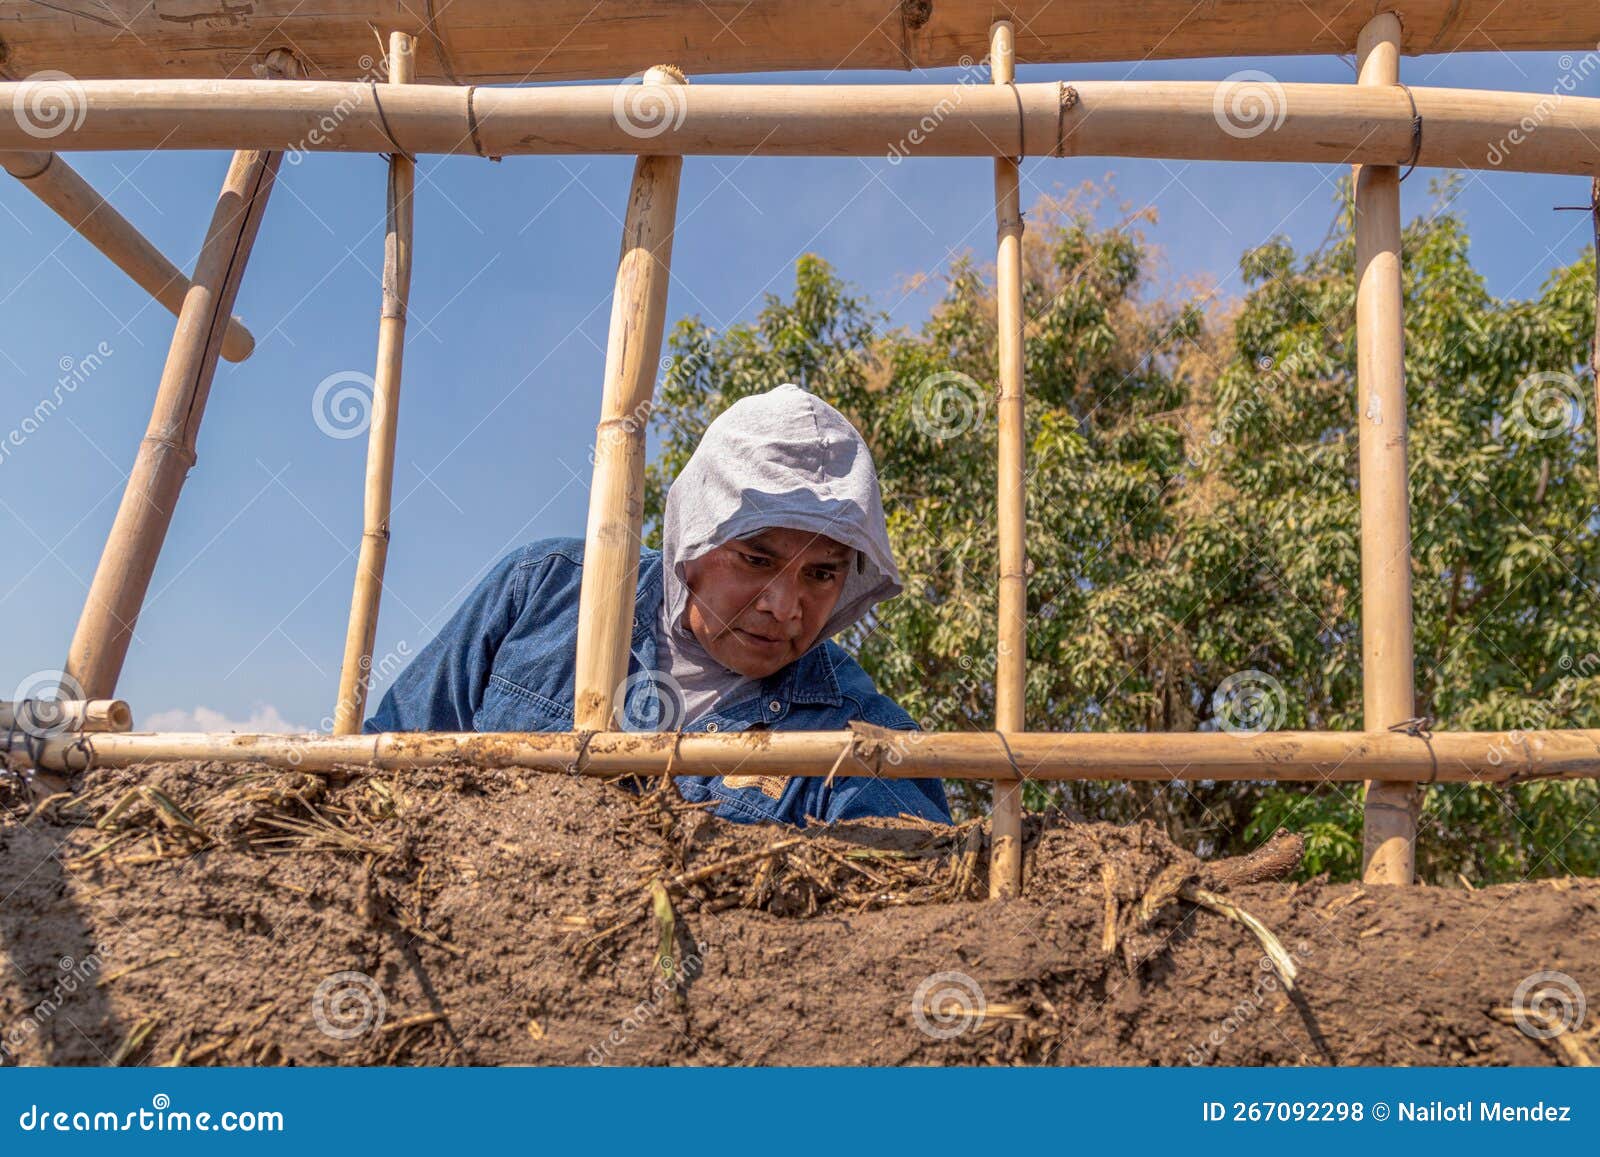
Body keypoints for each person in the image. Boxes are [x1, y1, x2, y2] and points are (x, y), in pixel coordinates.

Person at [364, 382, 951, 827]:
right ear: (693, 535)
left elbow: (894, 920)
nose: (784, 605)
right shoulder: (543, 594)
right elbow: (377, 769)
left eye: (821, 575)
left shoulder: (859, 740)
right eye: (757, 558)